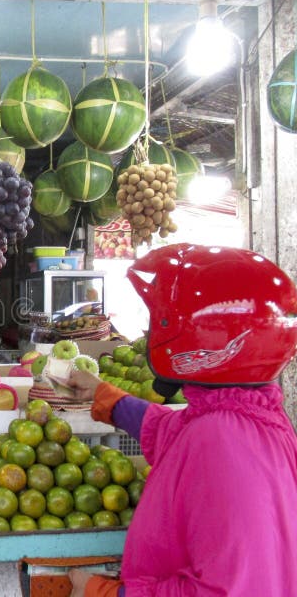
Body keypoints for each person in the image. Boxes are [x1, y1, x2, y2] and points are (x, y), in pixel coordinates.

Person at [66, 243, 297, 597]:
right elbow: (172, 434)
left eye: (160, 322)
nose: (152, 334)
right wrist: (105, 396)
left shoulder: (221, 441)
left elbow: (222, 590)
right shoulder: (249, 417)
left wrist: (105, 593)